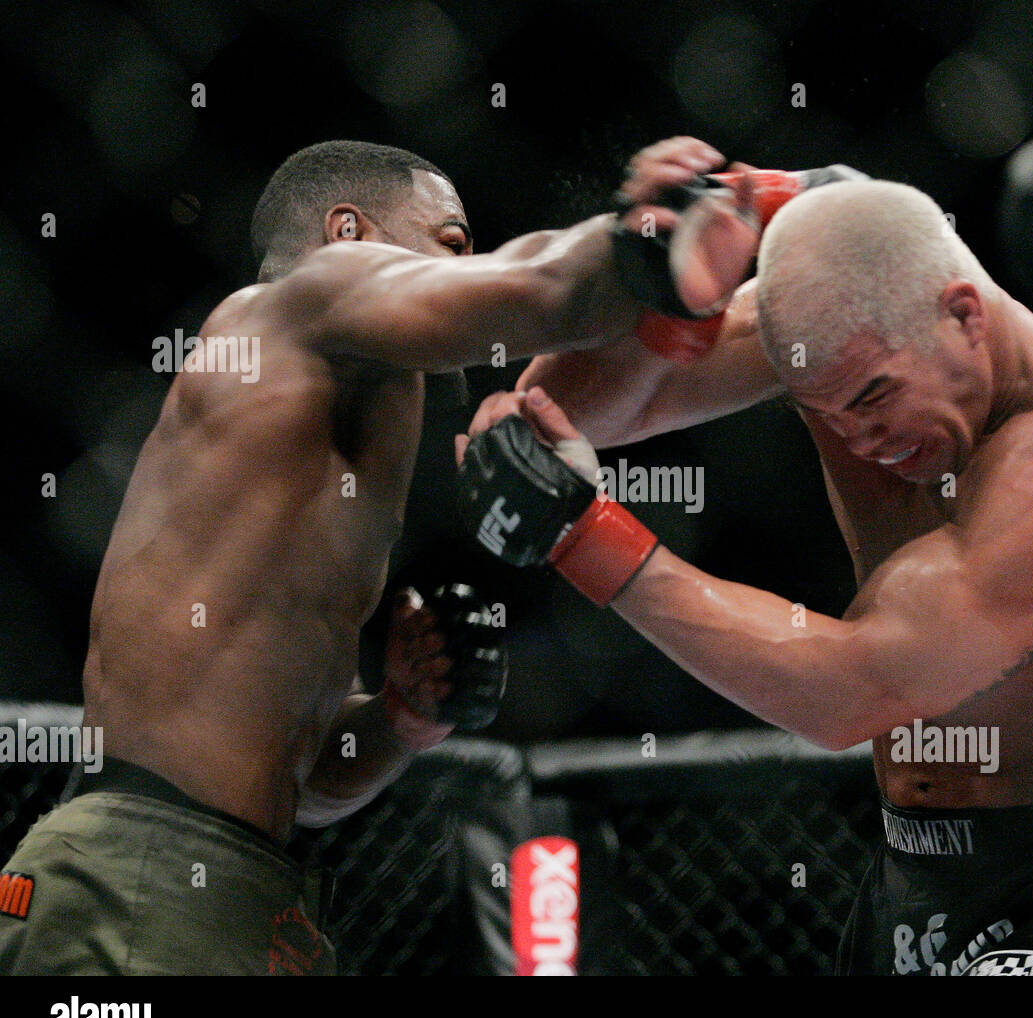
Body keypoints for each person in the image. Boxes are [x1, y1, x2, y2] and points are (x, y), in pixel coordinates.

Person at [0, 135, 745, 975]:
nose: (466, 270)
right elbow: (538, 286)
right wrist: (647, 231)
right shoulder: (299, 300)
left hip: (236, 882)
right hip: (140, 877)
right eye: (452, 245)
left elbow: (303, 793)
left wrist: (400, 716)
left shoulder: (328, 450)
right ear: (350, 233)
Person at [457, 176, 1033, 976]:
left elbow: (854, 690)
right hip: (909, 868)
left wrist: (588, 537)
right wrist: (666, 287)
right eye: (826, 410)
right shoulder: (837, 338)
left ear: (963, 314)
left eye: (875, 397)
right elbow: (566, 412)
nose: (860, 440)